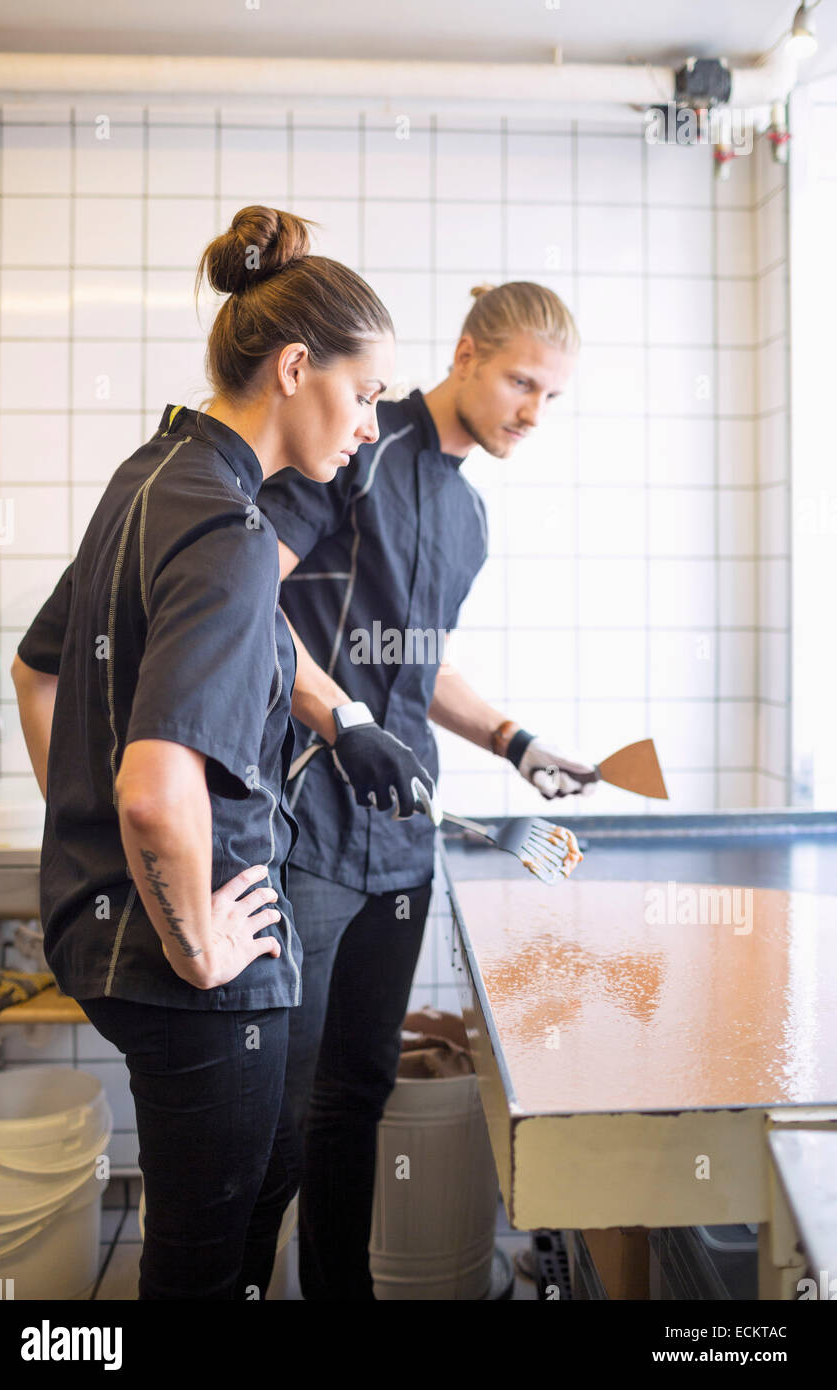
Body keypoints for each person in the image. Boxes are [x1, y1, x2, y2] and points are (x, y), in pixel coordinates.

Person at [10, 205, 402, 1300]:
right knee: (202, 1258)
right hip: (194, 974)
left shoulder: (150, 478)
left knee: (257, 1182)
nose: (370, 427)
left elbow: (37, 671)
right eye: (365, 395)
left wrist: (341, 717)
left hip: (104, 930)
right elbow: (152, 797)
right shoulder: (231, 530)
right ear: (293, 367)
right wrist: (193, 942)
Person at [255, 279, 595, 1299]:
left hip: (403, 840)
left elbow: (416, 662)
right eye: (519, 381)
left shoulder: (471, 517)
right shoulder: (358, 445)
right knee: (284, 1105)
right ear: (463, 354)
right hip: (305, 828)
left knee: (355, 1092)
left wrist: (512, 738)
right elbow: (239, 603)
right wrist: (340, 719)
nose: (532, 412)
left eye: (551, 397)